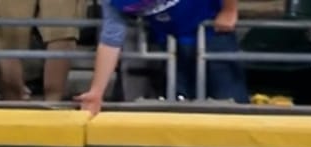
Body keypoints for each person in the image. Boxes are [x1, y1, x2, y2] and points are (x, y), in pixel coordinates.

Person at [75, 0, 243, 114]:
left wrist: (229, 10)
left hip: (213, 31)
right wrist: (96, 92)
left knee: (229, 103)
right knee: (181, 107)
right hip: (169, 40)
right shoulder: (113, 2)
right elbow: (111, 39)